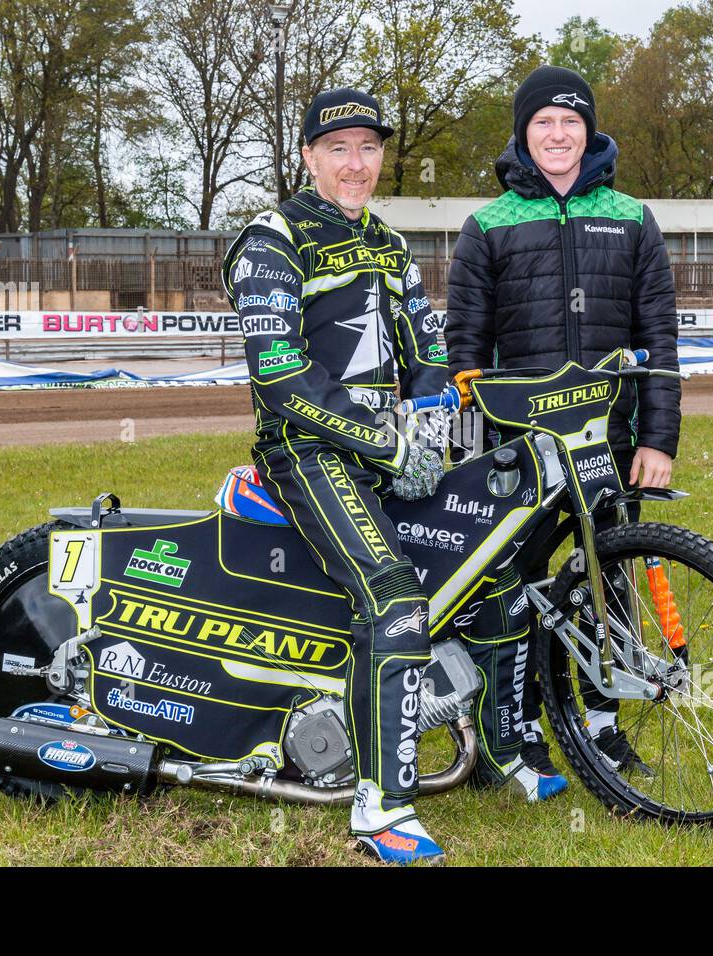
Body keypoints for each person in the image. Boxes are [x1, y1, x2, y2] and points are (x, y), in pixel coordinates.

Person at [221, 89, 448, 864]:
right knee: (396, 600)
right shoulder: (271, 240)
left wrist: (433, 421)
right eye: (339, 149)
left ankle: (503, 751)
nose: (357, 164)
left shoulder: (388, 241)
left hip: (384, 448)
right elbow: (281, 378)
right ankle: (382, 806)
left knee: (480, 558)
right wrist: (389, 443)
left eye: (369, 148)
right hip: (305, 453)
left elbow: (430, 350)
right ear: (310, 158)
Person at [445, 64, 682, 787]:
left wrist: (658, 439)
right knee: (508, 586)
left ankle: (603, 729)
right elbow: (463, 353)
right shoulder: (486, 226)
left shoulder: (633, 218)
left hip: (606, 444)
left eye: (570, 121)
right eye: (542, 121)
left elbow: (661, 341)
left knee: (605, 583)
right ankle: (510, 736)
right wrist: (464, 454)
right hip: (516, 449)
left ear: (590, 131)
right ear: (523, 132)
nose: (557, 134)